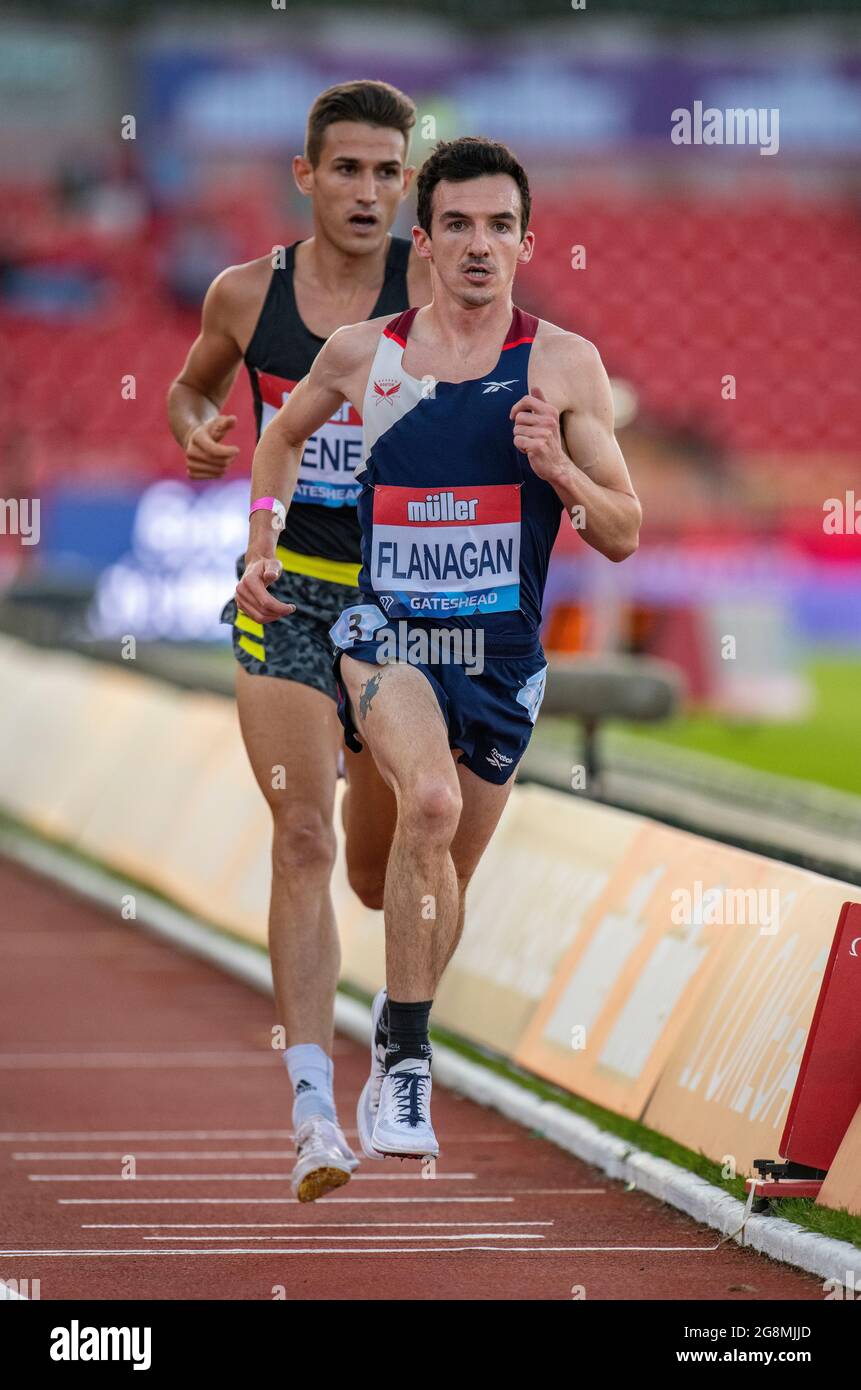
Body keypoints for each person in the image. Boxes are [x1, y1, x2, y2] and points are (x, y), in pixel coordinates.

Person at [235, 135, 641, 1161]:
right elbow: (280, 437)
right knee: (429, 802)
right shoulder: (365, 354)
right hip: (386, 643)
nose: (478, 245)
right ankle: (410, 1074)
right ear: (426, 240)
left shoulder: (562, 365)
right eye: (457, 224)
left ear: (526, 242)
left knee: (401, 885)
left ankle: (393, 1026)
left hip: (501, 665)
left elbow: (624, 529)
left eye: (499, 226)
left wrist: (559, 469)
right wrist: (263, 542)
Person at [167, 81, 431, 1201]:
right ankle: (317, 1112)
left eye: (388, 172)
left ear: (406, 184)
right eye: (348, 170)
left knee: (380, 872)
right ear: (305, 176)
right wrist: (199, 430)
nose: (368, 191)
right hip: (284, 597)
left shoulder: (442, 285)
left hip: (412, 608)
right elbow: (189, 388)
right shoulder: (245, 294)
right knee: (302, 841)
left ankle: (399, 1025)